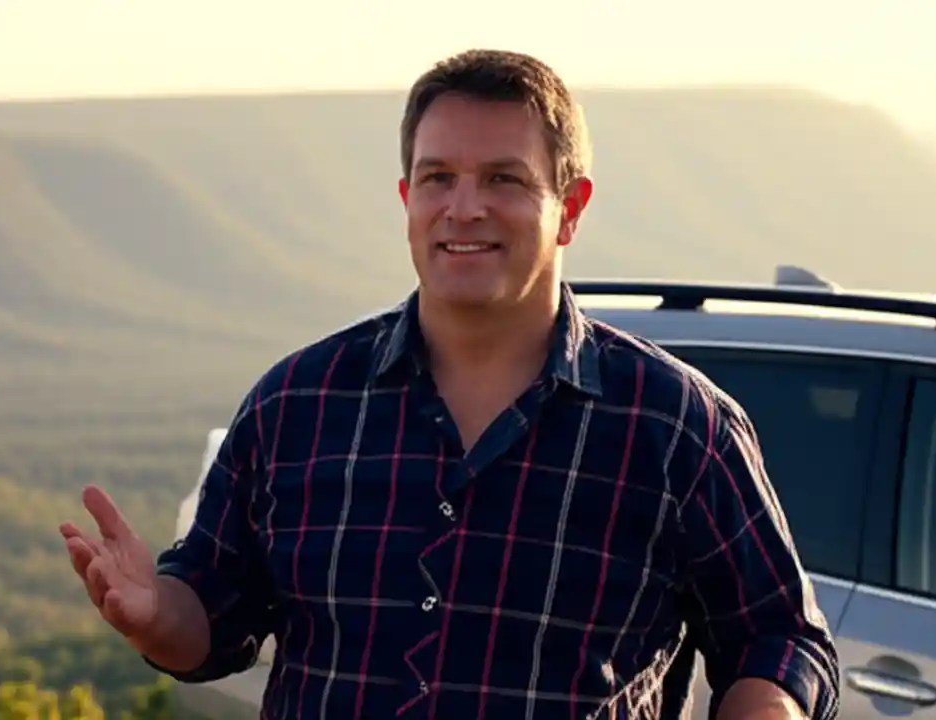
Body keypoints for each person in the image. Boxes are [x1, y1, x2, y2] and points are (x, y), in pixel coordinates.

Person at [60, 48, 841, 720]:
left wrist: (769, 704)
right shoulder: (295, 406)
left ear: (570, 208)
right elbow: (212, 620)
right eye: (438, 178)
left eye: (503, 179)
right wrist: (156, 613)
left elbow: (780, 635)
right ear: (407, 199)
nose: (463, 209)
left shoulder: (675, 427)